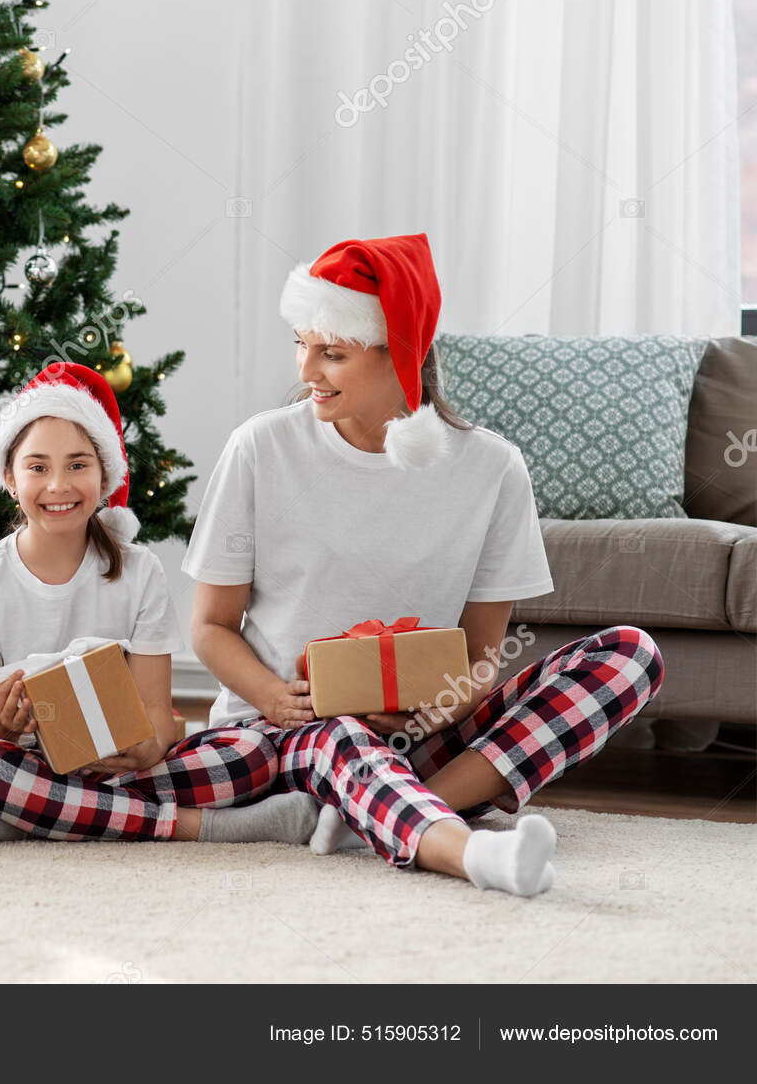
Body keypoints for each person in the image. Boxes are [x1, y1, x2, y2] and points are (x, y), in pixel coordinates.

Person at [184, 233, 663, 896]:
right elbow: (209, 625)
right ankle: (450, 839)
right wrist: (274, 697)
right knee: (344, 734)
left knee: (630, 656)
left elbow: (481, 655)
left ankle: (382, 813)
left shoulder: (491, 468)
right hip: (282, 736)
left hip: (418, 733)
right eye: (302, 343)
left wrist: (440, 709)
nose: (307, 370)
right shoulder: (261, 448)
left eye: (333, 353)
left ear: (400, 353)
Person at [0, 363, 313, 845]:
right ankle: (189, 827)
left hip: (120, 770)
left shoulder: (139, 570)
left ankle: (28, 819)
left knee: (253, 753)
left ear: (104, 475)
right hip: (28, 760)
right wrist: (7, 728)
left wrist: (144, 749)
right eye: (38, 467)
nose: (58, 486)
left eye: (78, 465)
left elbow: (157, 714)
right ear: (10, 478)